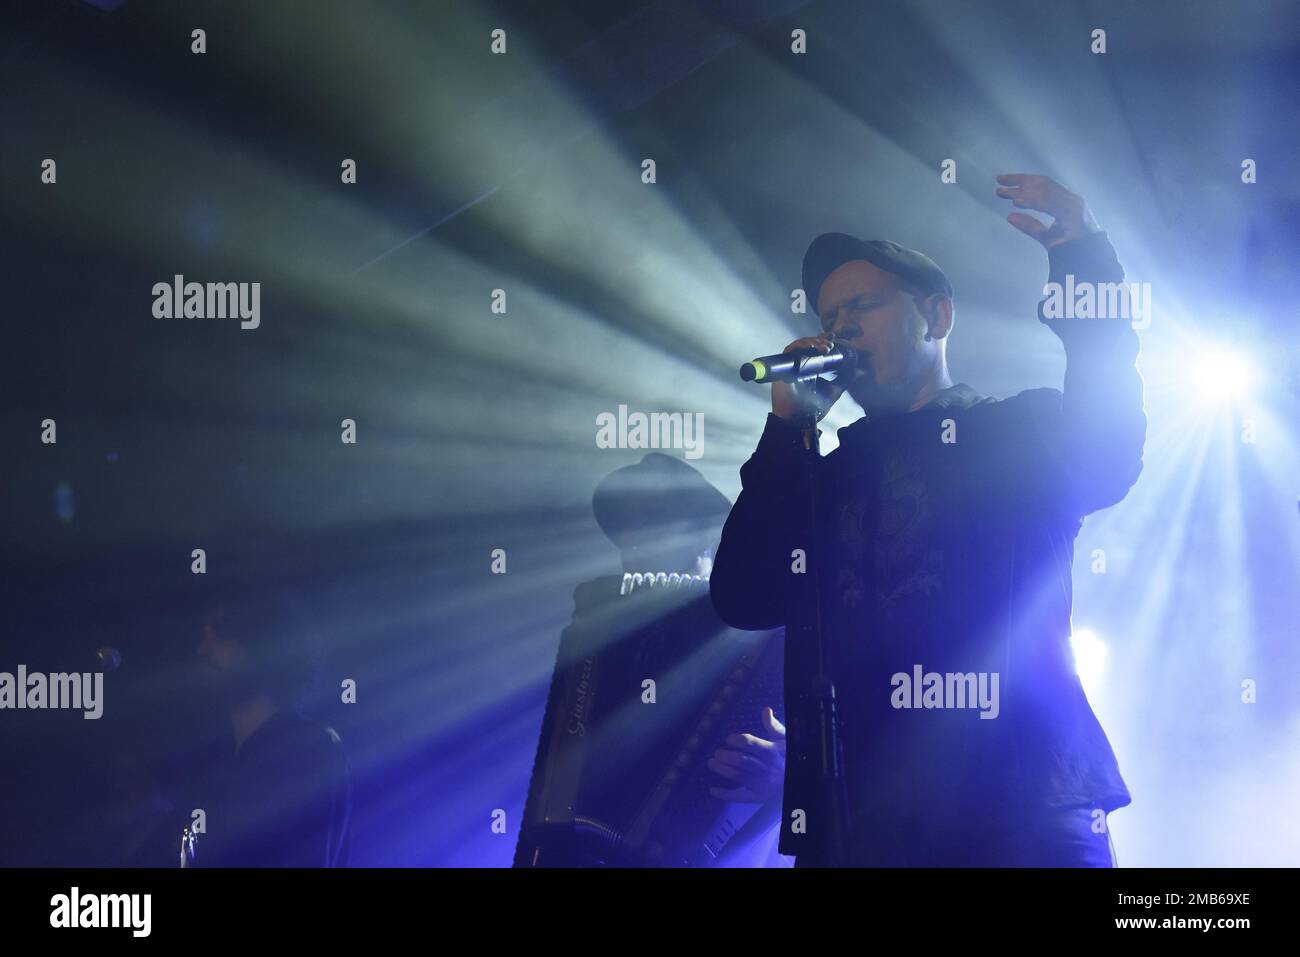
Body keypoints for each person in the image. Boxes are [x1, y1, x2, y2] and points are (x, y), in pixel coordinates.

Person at [708, 174, 1145, 866]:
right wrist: (787, 432)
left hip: (1020, 815)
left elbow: (1110, 447)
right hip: (859, 829)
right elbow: (743, 592)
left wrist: (1083, 261)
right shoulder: (822, 478)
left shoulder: (1009, 434)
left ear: (936, 316)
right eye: (830, 316)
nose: (842, 327)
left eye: (863, 305)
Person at [191, 581, 351, 867]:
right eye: (203, 634)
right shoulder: (216, 765)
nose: (204, 649)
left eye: (221, 629)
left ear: (264, 641)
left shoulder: (310, 748)